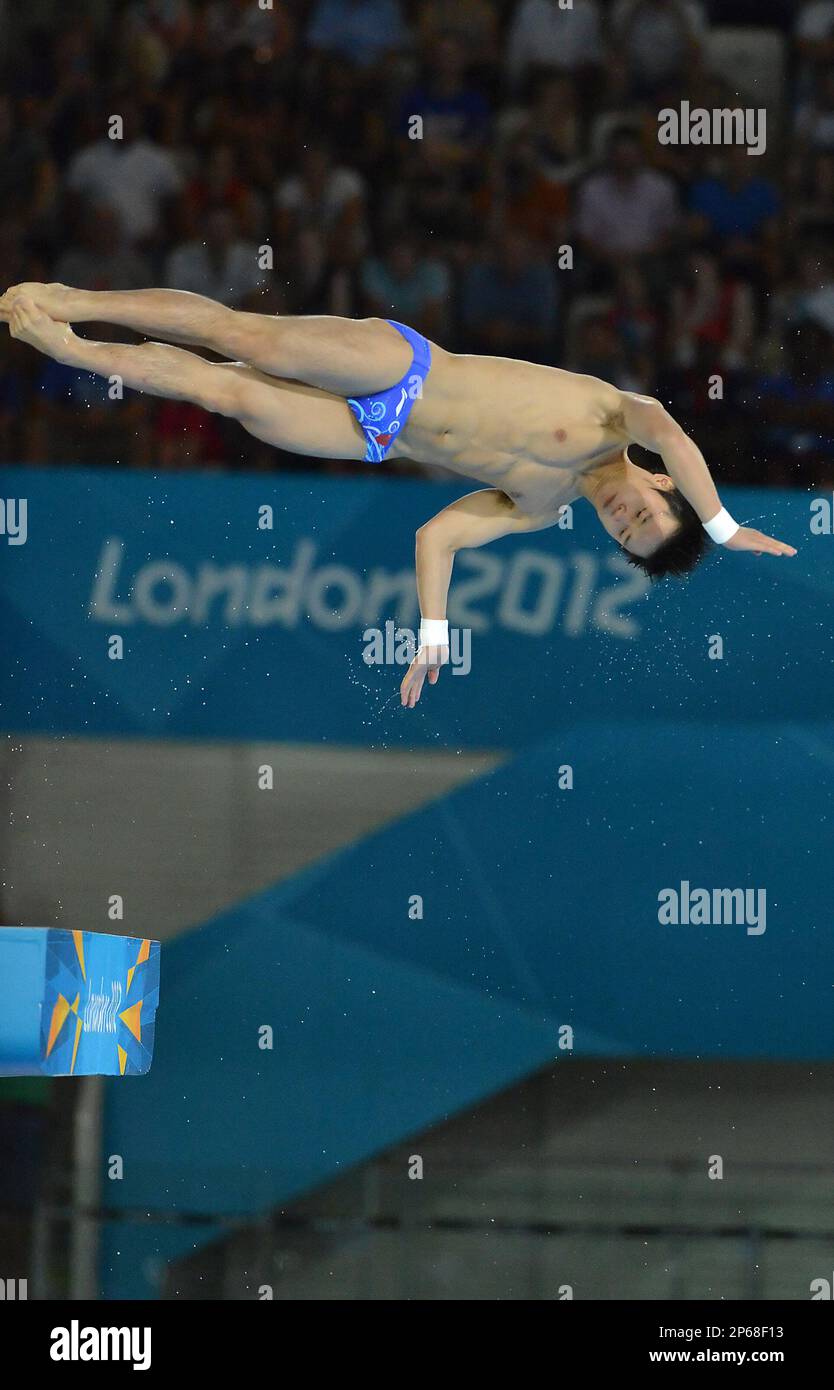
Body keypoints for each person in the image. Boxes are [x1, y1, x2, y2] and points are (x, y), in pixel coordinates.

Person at [0, 284, 796, 708]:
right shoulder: (612, 417)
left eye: (628, 536)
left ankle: (70, 348)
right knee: (243, 336)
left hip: (378, 437)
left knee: (229, 396)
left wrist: (435, 635)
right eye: (648, 512)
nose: (626, 518)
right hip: (403, 368)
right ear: (662, 483)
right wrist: (723, 527)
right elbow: (671, 427)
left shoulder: (536, 507)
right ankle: (76, 299)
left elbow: (436, 540)